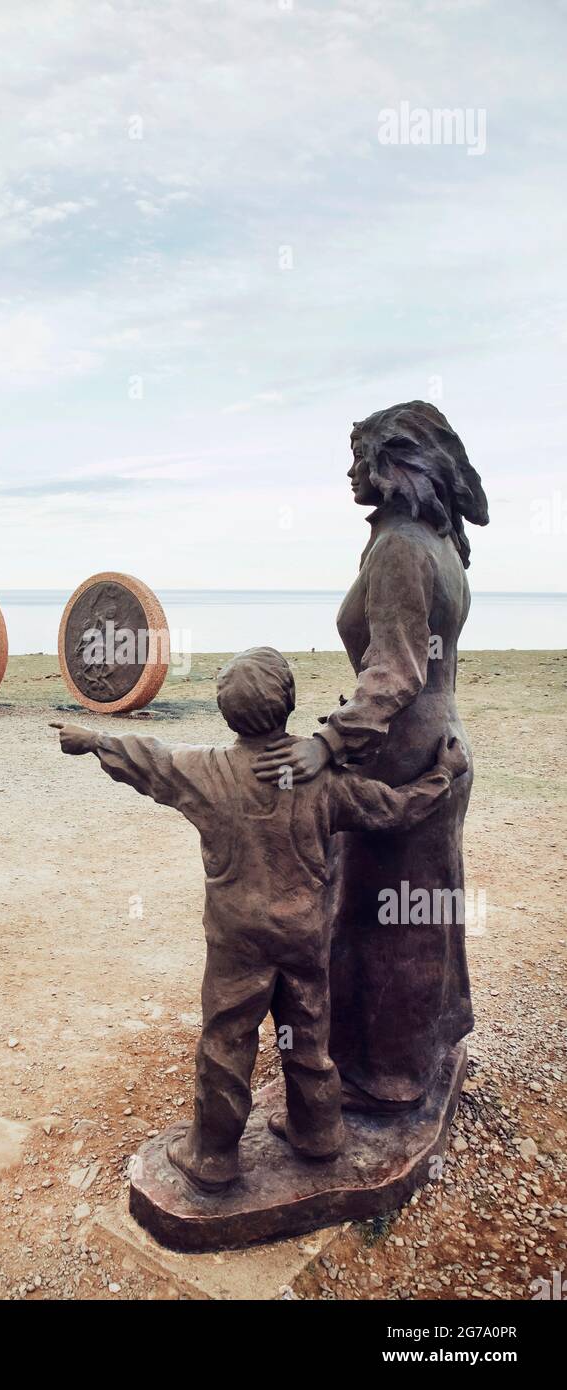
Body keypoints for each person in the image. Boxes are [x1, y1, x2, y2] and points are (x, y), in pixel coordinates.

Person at [52, 646, 469, 1193]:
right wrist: (444, 773)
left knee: (228, 1039)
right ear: (290, 704)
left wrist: (94, 740)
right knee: (309, 1031)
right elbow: (393, 809)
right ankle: (318, 1131)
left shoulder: (205, 771)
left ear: (226, 713)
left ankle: (213, 1157)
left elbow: (150, 758)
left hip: (237, 939)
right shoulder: (319, 778)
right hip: (303, 933)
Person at [253, 401, 489, 1112]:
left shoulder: (398, 548)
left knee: (378, 920)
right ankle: (420, 1050)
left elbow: (392, 671)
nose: (350, 469)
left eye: (359, 455)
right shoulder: (436, 542)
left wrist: (326, 742)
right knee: (416, 911)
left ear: (394, 463)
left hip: (398, 760)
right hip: (437, 745)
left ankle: (385, 1076)